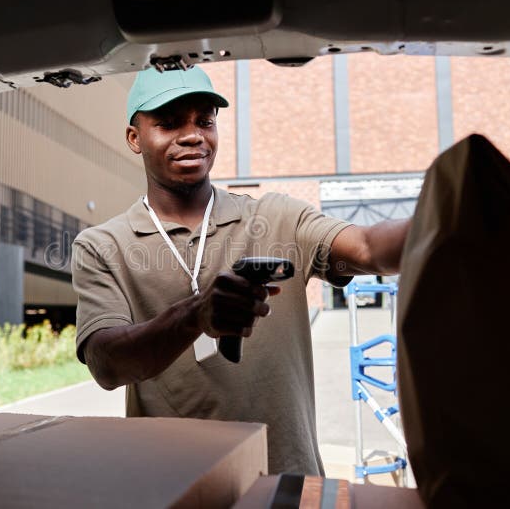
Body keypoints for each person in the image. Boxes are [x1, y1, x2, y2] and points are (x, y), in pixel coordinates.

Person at [71, 65, 410, 476]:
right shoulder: (102, 246)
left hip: (288, 482)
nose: (193, 134)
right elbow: (107, 365)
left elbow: (369, 248)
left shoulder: (279, 217)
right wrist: (196, 315)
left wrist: (443, 219)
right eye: (169, 123)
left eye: (204, 121)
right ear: (134, 138)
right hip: (173, 489)